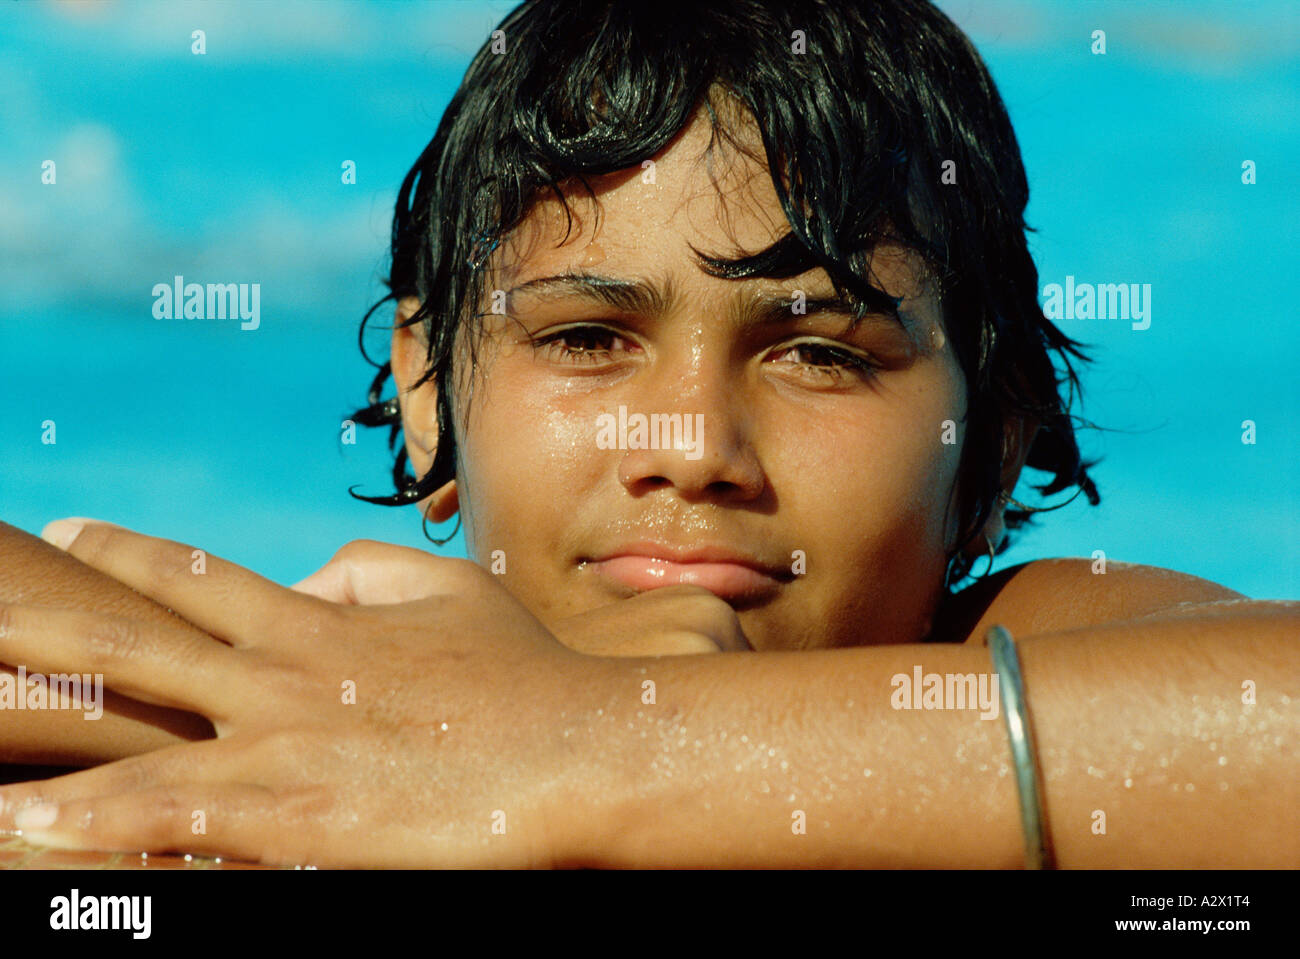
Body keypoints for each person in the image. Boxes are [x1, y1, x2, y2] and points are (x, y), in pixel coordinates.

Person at [0, 0, 1294, 867]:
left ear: (996, 449)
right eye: (585, 340)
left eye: (821, 354)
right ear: (428, 396)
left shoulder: (1020, 650)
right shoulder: (298, 715)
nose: (692, 446)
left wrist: (604, 742)